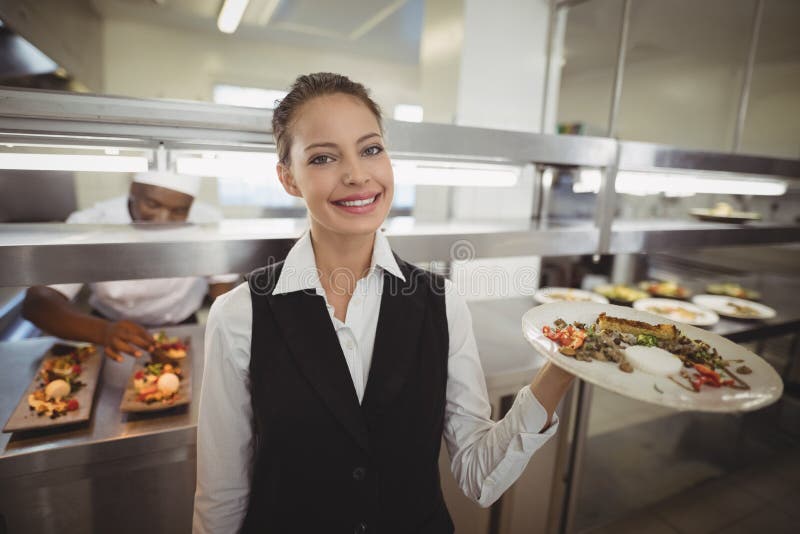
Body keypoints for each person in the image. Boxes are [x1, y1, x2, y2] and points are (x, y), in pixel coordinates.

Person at [192, 73, 575, 534]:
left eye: (370, 149)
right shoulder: (240, 315)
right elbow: (222, 495)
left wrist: (563, 367)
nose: (357, 174)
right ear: (288, 178)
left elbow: (478, 476)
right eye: (323, 157)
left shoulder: (441, 304)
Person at [22, 172, 238, 362]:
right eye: (152, 205)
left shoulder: (207, 222)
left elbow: (223, 290)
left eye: (178, 211)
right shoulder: (92, 222)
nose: (163, 220)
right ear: (133, 190)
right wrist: (103, 332)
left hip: (180, 327)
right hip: (106, 330)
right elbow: (37, 303)